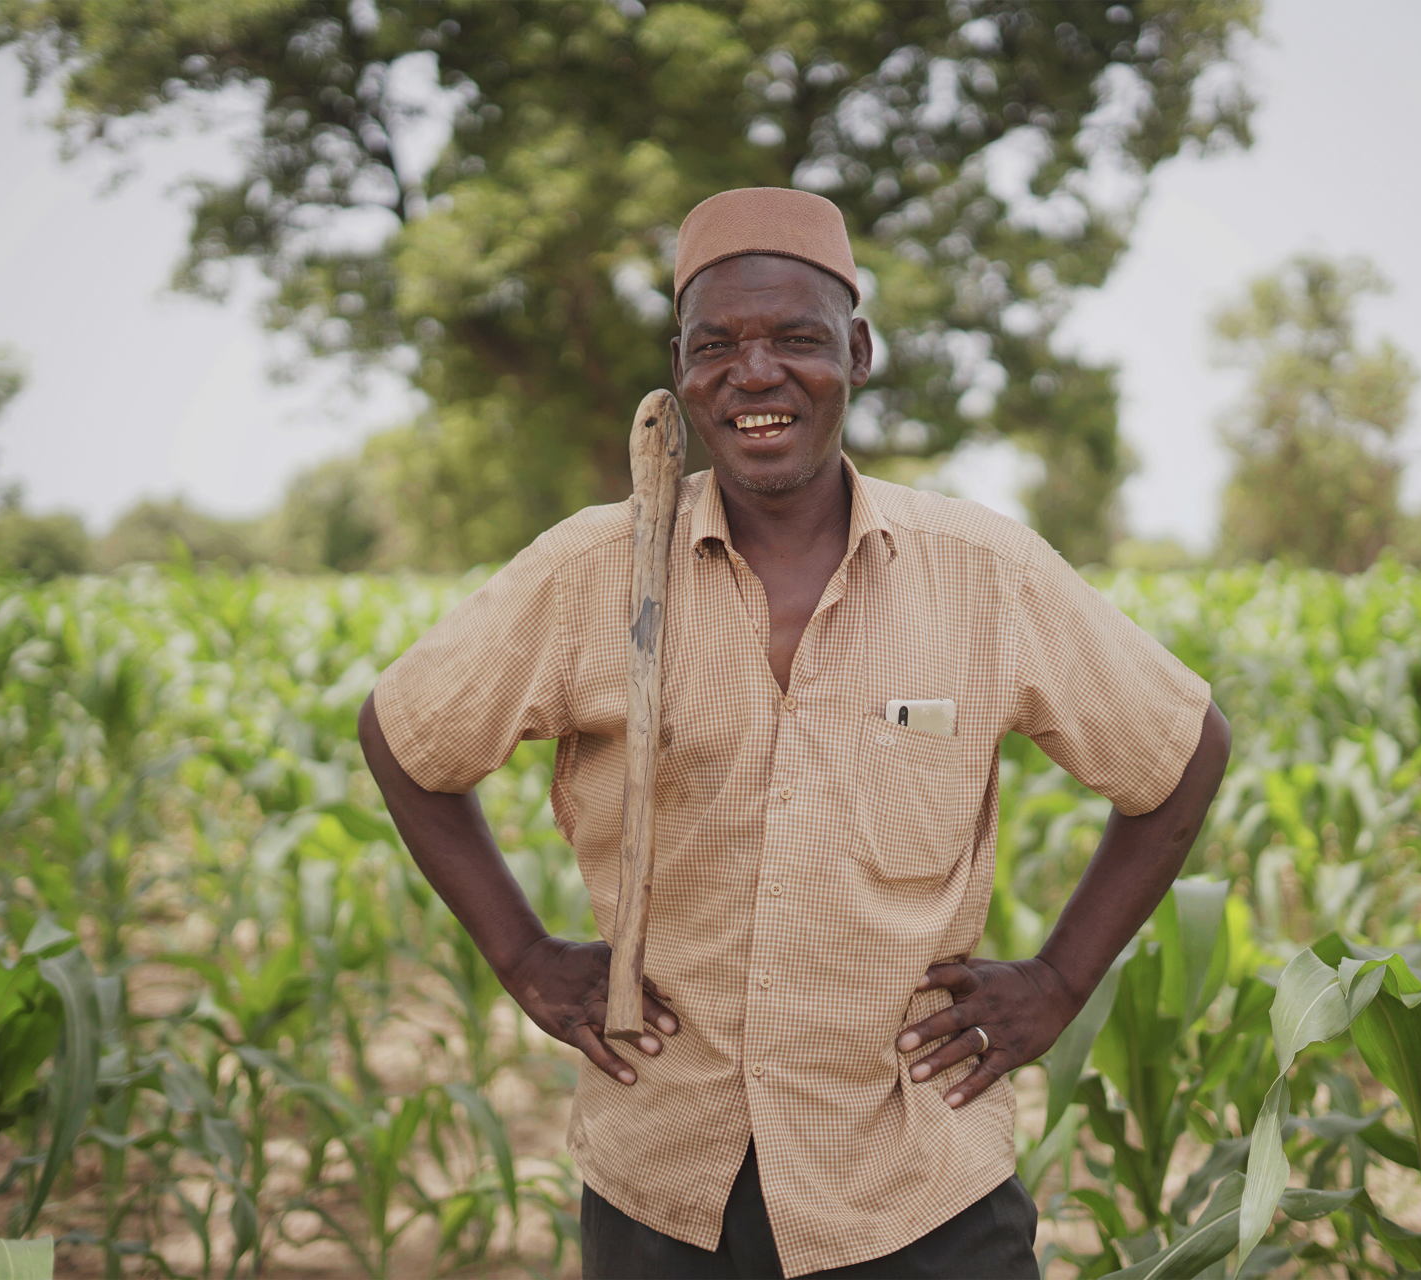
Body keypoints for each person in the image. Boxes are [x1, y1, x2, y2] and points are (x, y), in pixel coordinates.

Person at [358, 186, 1231, 1280]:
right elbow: (405, 733)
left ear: (858, 353)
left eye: (796, 340)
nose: (756, 373)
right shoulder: (593, 573)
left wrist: (1058, 981)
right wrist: (524, 953)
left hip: (915, 1190)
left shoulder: (982, 571)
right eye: (717, 343)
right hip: (663, 1185)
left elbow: (1182, 748)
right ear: (681, 367)